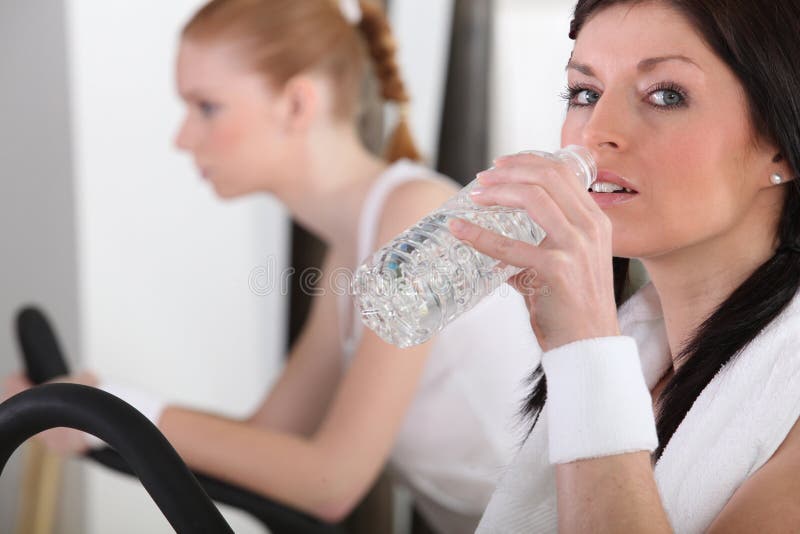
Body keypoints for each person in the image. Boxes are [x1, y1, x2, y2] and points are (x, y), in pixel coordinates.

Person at [3, 1, 539, 532]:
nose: (182, 137)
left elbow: (331, 482)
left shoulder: (412, 218)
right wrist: (90, 410)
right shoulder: (352, 246)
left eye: (206, 107)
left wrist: (106, 410)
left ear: (296, 105)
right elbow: (272, 437)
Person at [445, 0, 800, 531]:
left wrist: (584, 349)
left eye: (666, 95)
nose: (596, 132)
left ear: (781, 146)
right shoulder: (640, 346)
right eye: (585, 93)